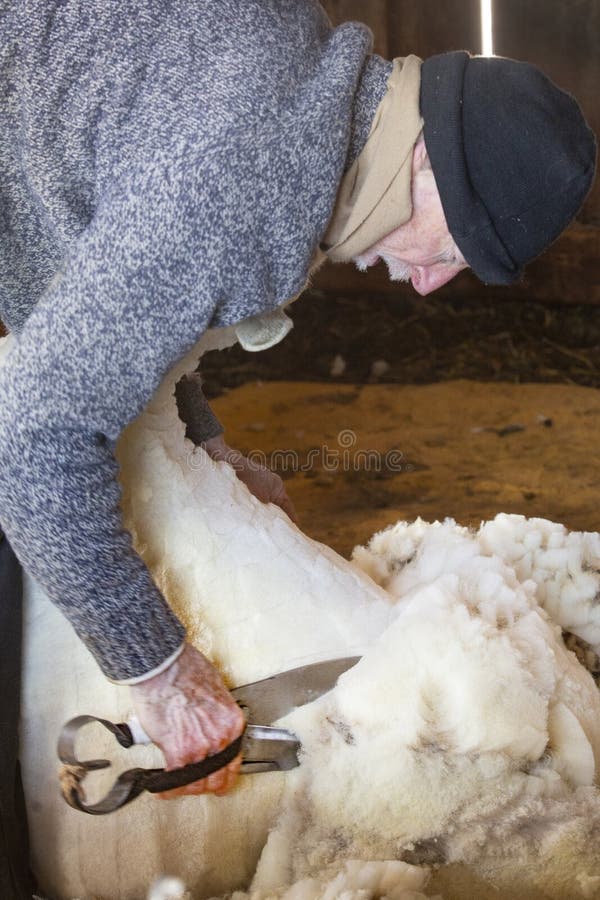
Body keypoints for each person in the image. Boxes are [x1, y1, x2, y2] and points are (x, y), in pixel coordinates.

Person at [0, 2, 595, 848]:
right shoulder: (242, 180)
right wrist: (158, 670)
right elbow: (33, 439)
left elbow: (129, 268)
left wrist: (204, 445)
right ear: (427, 165)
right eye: (454, 250)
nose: (428, 285)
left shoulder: (306, 90)